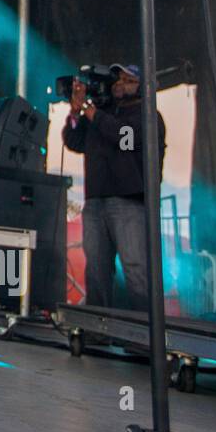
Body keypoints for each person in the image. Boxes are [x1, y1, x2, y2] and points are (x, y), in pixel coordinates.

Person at [62, 63, 167, 313]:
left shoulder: (147, 114)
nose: (120, 84)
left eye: (128, 80)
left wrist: (93, 114)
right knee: (97, 269)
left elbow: (126, 139)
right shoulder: (103, 114)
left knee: (136, 267)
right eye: (117, 80)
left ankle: (144, 334)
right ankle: (99, 328)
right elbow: (75, 142)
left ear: (142, 86)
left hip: (129, 201)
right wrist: (76, 115)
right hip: (96, 200)